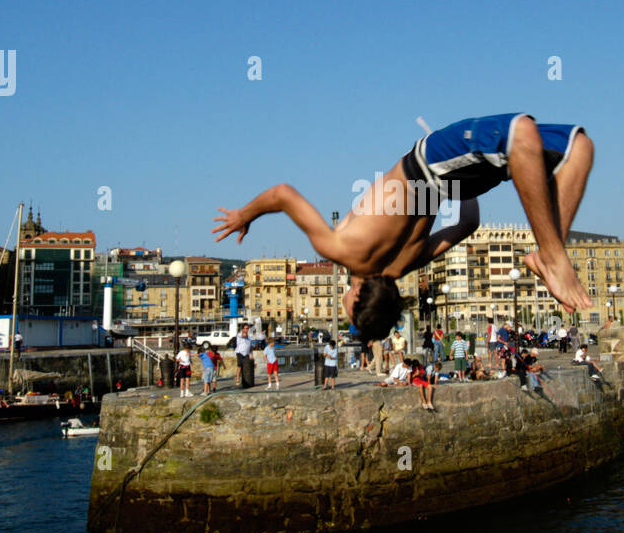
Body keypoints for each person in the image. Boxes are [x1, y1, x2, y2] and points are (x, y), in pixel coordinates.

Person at [213, 113, 595, 345]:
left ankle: (548, 254)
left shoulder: (404, 266)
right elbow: (282, 193)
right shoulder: (340, 250)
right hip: (434, 162)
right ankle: (551, 256)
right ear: (357, 297)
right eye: (348, 312)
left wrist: (464, 185)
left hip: (459, 181)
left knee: (580, 147)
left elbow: (468, 223)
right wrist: (245, 215)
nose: (341, 307)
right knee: (524, 133)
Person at [234, 324, 253, 388]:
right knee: (240, 366)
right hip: (240, 352)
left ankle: (245, 380)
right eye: (245, 328)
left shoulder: (249, 337)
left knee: (246, 367)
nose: (246, 330)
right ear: (242, 329)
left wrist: (251, 355)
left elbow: (250, 347)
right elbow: (243, 335)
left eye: (247, 328)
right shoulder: (239, 334)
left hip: (246, 353)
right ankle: (237, 379)